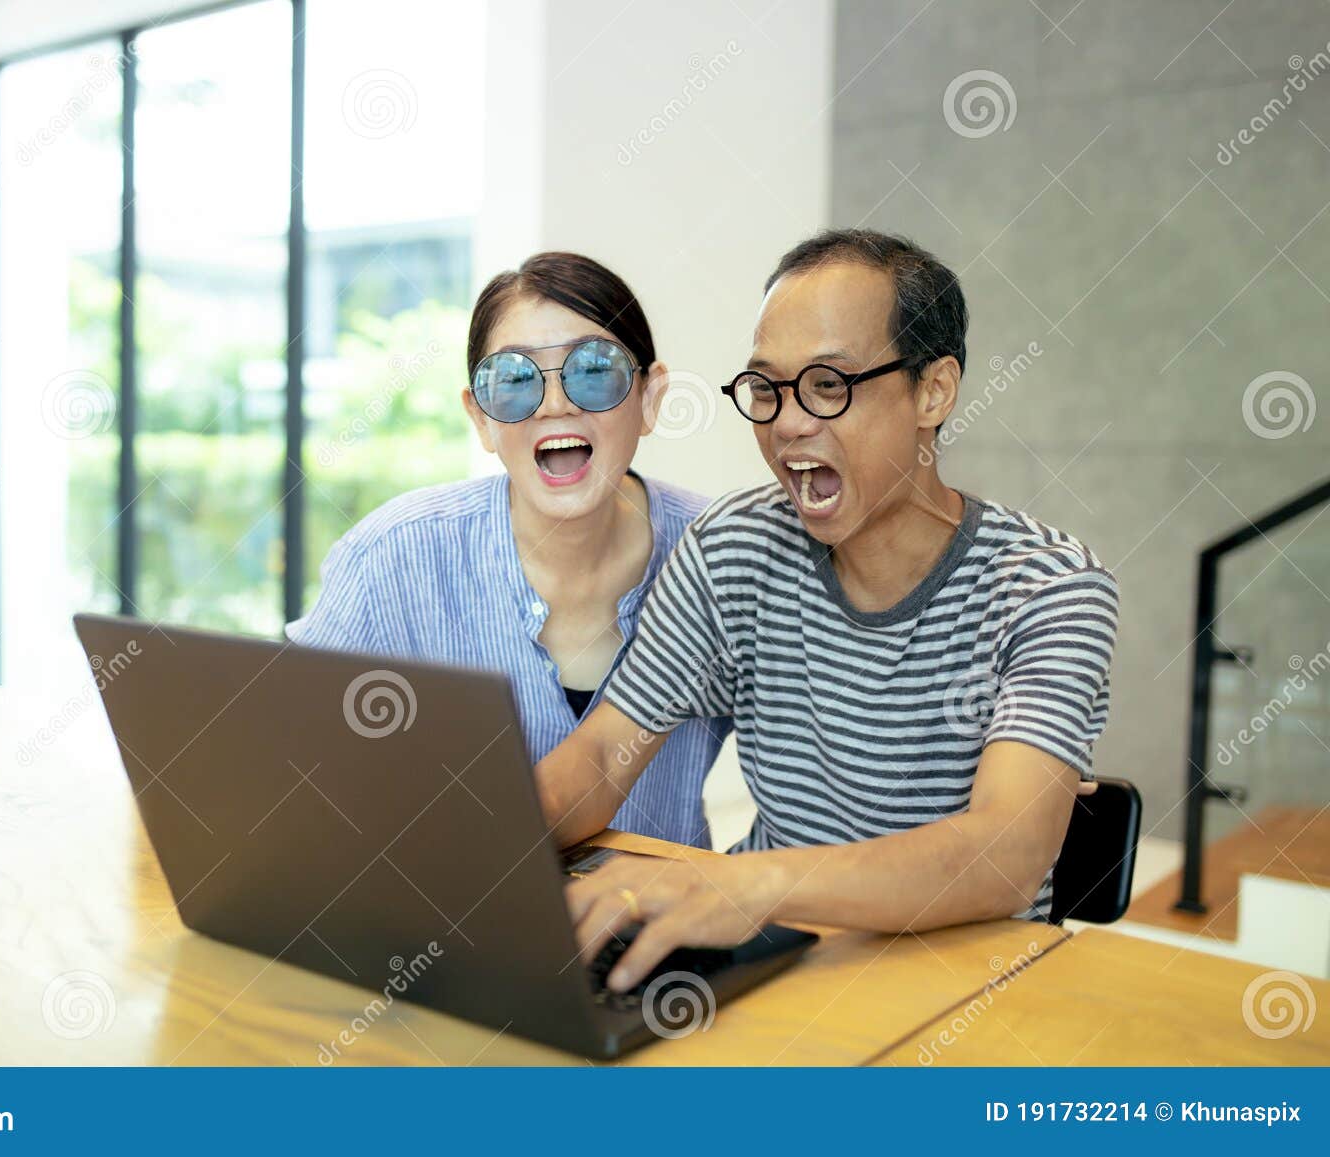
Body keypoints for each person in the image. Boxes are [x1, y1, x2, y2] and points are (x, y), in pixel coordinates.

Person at [535, 229, 1120, 991]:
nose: (786, 424)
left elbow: (1002, 858)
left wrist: (744, 887)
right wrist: (466, 851)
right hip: (772, 964)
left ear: (934, 390)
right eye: (767, 388)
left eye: (828, 385)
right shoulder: (735, 548)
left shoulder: (1048, 589)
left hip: (957, 987)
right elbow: (601, 756)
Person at [287, 252, 729, 846]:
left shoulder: (724, 557)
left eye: (594, 369)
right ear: (481, 419)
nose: (554, 405)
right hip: (442, 919)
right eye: (516, 380)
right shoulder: (393, 556)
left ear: (650, 398)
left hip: (660, 927)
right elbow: (286, 765)